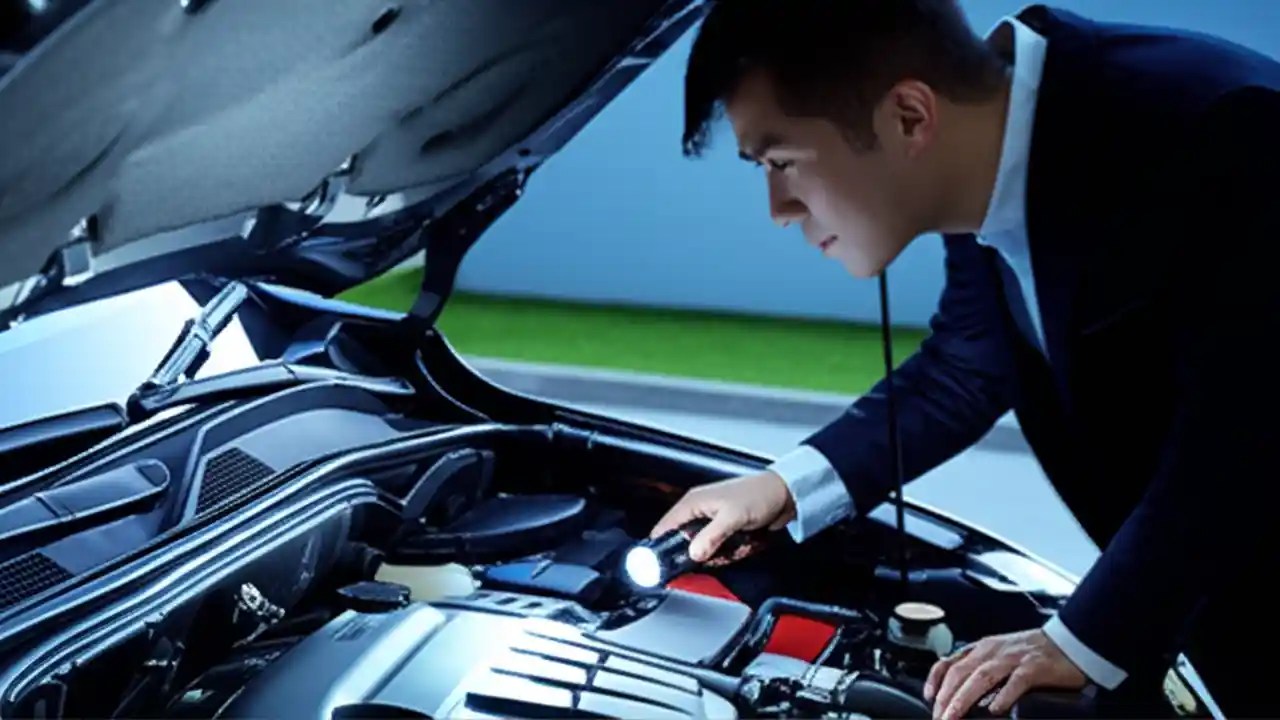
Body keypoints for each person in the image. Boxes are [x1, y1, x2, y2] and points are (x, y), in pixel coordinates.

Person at [650, 1, 1280, 718]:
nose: (778, 208)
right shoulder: (989, 146)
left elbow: (1244, 440)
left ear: (909, 117)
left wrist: (1077, 643)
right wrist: (782, 490)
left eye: (782, 161)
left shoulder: (1225, 131)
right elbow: (968, 363)